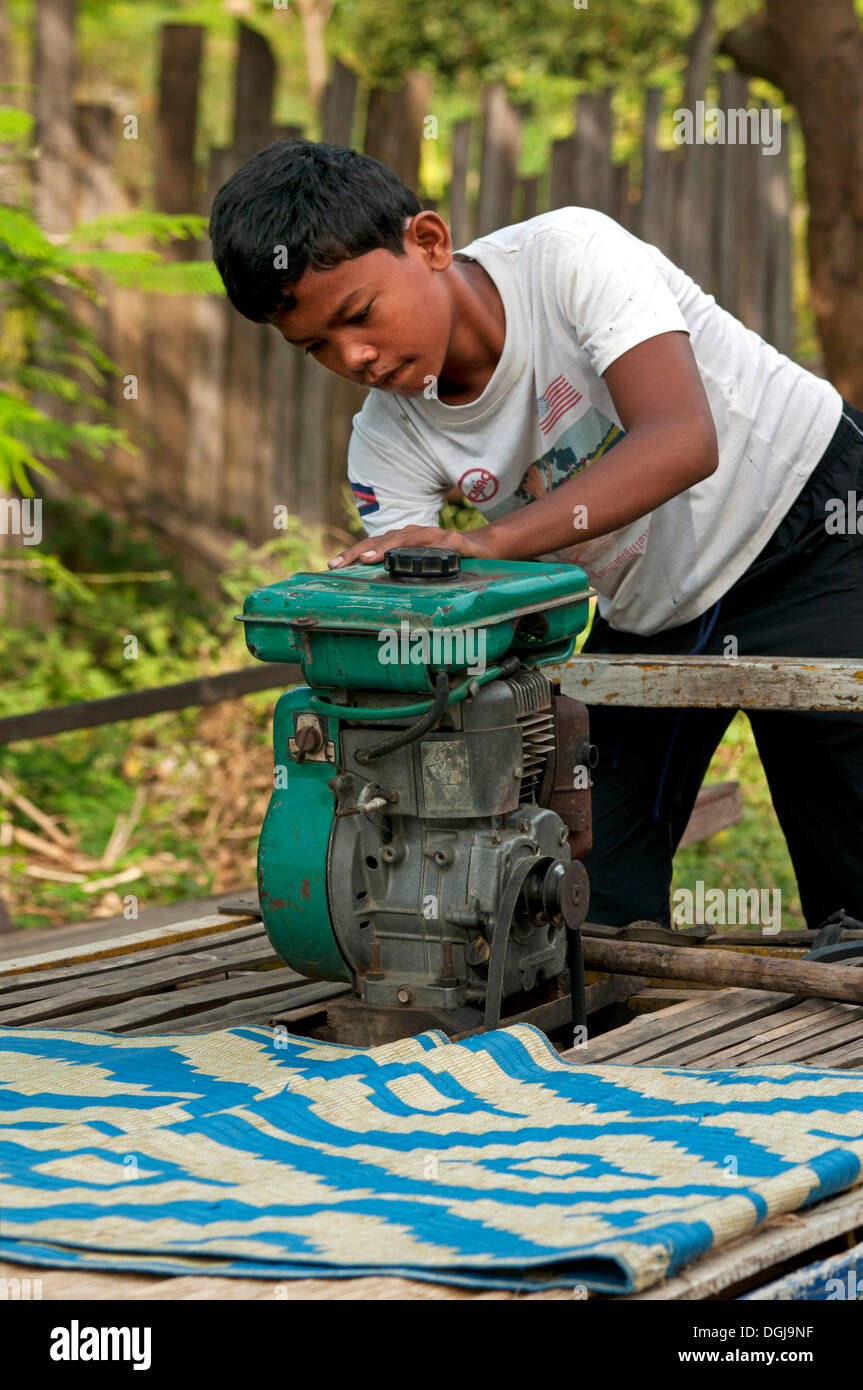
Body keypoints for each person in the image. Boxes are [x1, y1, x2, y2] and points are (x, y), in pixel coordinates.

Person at [210, 138, 863, 929]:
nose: (355, 357)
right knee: (583, 897)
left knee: (849, 872)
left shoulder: (570, 257)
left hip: (817, 529)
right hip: (648, 610)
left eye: (358, 315)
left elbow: (682, 440)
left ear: (428, 242)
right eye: (315, 346)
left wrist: (485, 545)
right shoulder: (386, 442)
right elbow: (429, 603)